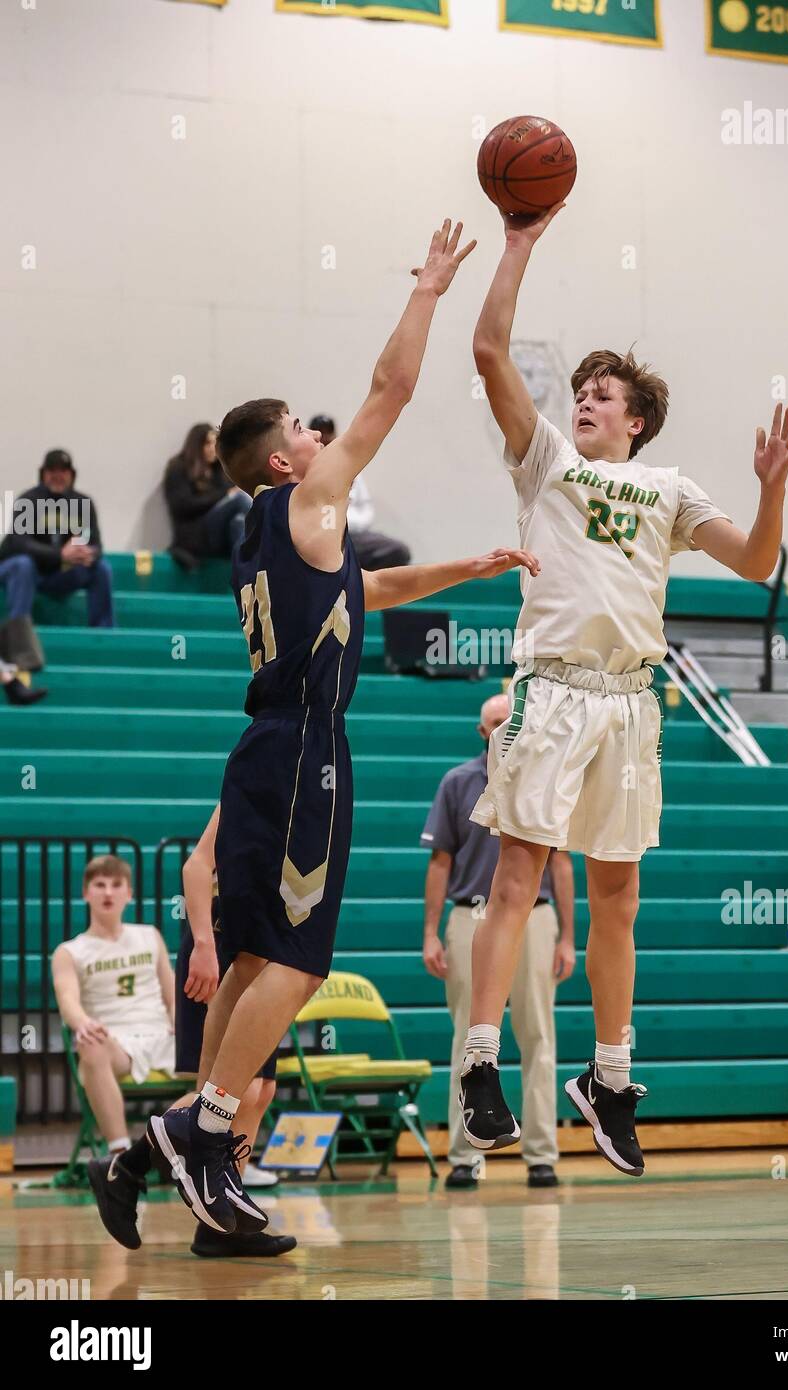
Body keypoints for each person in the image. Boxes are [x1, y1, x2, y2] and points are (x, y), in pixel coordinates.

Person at [145, 218, 540, 1237]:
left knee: (246, 963)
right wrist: (431, 291)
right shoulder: (310, 495)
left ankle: (191, 1136)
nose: (326, 437)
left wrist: (479, 564)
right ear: (283, 460)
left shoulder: (272, 541)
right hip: (306, 747)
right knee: (302, 962)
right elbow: (394, 390)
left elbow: (379, 584)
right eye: (306, 433)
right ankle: (210, 1127)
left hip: (266, 749)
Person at [461, 201, 788, 1176]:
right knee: (520, 880)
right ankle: (481, 1063)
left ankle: (610, 1079)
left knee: (618, 899)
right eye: (581, 390)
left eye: (604, 394)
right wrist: (519, 242)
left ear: (638, 419)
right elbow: (489, 350)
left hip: (628, 702)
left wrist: (772, 483)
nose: (586, 401)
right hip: (555, 689)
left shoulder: (668, 488)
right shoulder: (548, 461)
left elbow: (755, 559)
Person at [87, 807, 296, 1259]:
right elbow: (196, 864)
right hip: (221, 940)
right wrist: (203, 943)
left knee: (259, 1091)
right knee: (225, 1090)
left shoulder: (313, 791)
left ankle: (220, 1224)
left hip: (267, 941)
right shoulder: (256, 776)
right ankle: (124, 1169)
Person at [422, 693, 575, 1190]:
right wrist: (430, 931)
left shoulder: (548, 778)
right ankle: (465, 1156)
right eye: (491, 723)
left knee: (538, 1035)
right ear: (480, 731)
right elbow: (439, 863)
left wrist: (568, 936)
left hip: (536, 918)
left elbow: (563, 863)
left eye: (508, 720)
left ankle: (541, 1155)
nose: (499, 729)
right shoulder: (458, 783)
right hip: (471, 915)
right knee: (469, 1037)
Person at [51, 857, 176, 1163]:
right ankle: (121, 1158)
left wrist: (182, 1026)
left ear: (129, 893)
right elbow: (68, 1000)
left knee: (223, 1057)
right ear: (86, 893)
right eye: (100, 885)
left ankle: (169, 1148)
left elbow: (172, 994)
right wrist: (82, 1022)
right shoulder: (70, 951)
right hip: (116, 1041)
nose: (108, 892)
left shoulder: (150, 936)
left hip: (163, 1035)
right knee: (89, 1044)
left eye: (116, 884)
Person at [0, 449, 114, 628]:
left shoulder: (83, 504)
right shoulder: (29, 500)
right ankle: (19, 634)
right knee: (23, 564)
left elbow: (96, 544)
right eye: (52, 471)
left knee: (101, 568)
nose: (58, 476)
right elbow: (19, 543)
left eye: (63, 471)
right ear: (43, 474)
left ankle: (103, 635)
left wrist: (87, 553)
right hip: (26, 571)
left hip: (60, 574)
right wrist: (60, 554)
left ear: (71, 475)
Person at [309, 414, 411, 570]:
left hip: (354, 534)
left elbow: (365, 507)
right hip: (326, 533)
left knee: (398, 551)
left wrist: (349, 523)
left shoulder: (350, 467)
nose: (325, 439)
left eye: (328, 434)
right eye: (321, 434)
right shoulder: (309, 468)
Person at [163, 422, 252, 569]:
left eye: (215, 444)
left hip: (220, 536)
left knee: (238, 521)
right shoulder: (179, 468)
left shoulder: (219, 470)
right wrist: (223, 495)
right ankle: (261, 558)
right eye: (208, 443)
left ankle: (244, 574)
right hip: (196, 534)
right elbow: (183, 505)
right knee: (241, 499)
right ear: (197, 446)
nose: (213, 449)